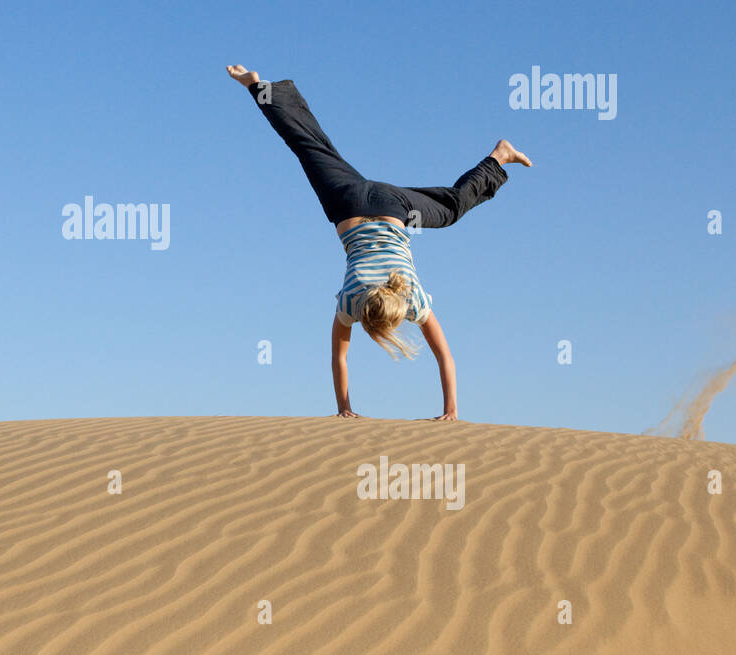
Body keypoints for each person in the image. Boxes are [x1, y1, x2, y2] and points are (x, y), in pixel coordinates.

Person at [227, 65, 532, 420]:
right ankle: (259, 88)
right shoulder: (352, 301)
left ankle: (499, 155)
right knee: (309, 147)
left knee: (450, 209)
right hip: (349, 202)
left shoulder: (411, 297)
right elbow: (338, 358)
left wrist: (451, 411)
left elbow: (444, 355)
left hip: (392, 208)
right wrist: (344, 408)